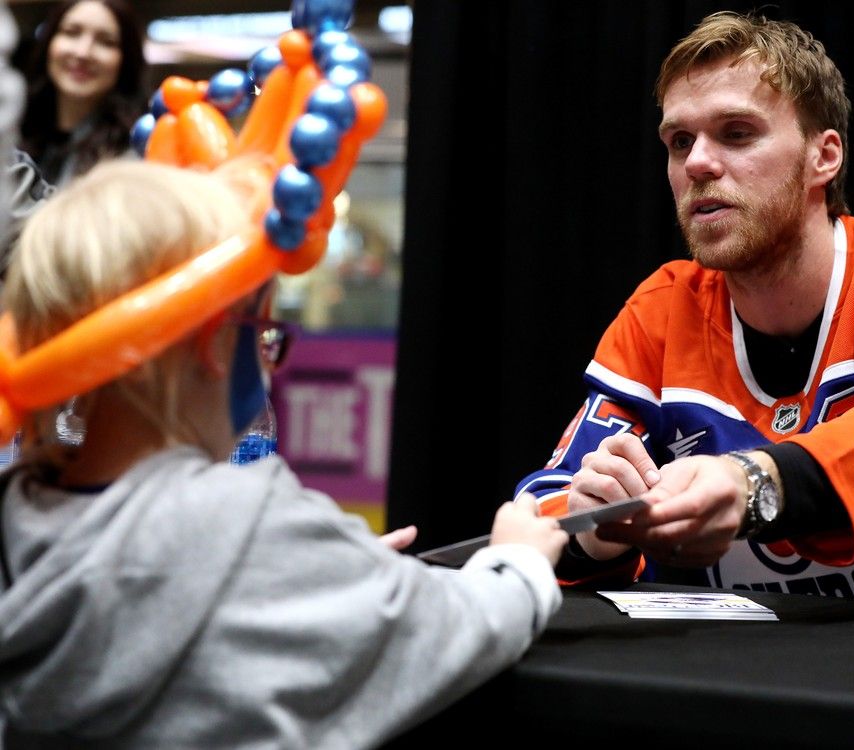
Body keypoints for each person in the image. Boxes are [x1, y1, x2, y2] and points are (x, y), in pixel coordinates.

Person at [0, 159, 568, 748]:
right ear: (213, 342)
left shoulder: (17, 515)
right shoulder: (249, 524)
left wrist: (322, 568)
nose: (267, 354)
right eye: (261, 327)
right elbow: (457, 628)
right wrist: (518, 561)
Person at [515, 10, 854, 607]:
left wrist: (755, 485)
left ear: (825, 156)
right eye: (679, 141)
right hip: (742, 689)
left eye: (737, 133)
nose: (697, 163)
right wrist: (596, 529)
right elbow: (539, 512)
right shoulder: (664, 307)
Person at [17, 0, 146, 186]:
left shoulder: (136, 153)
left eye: (106, 42)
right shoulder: (15, 129)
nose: (83, 52)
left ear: (126, 60)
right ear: (49, 42)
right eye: (71, 32)